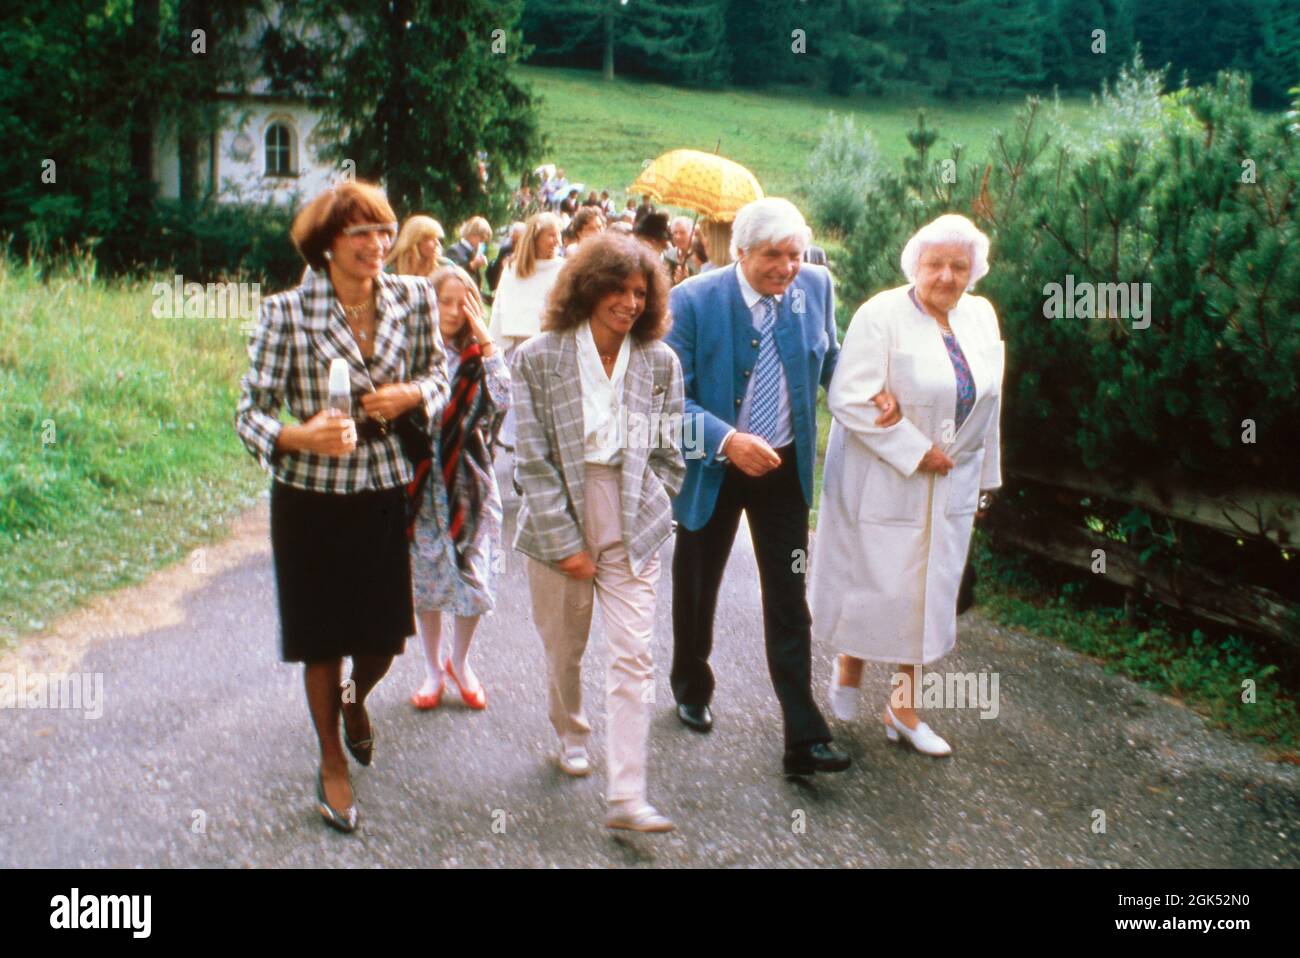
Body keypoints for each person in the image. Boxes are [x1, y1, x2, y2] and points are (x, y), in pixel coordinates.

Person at [235, 181, 449, 833]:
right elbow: (248, 414)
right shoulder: (286, 313)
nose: (377, 245)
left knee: (384, 635)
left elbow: (440, 373)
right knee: (321, 636)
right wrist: (300, 435)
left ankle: (357, 698)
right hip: (309, 498)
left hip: (383, 487)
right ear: (327, 244)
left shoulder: (413, 298)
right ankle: (332, 760)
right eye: (361, 233)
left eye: (384, 231)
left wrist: (411, 393)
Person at [663, 197, 852, 778]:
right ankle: (691, 683)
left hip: (782, 471)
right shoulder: (692, 301)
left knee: (789, 595)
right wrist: (726, 441)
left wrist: (867, 391)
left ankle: (803, 734)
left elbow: (833, 363)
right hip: (714, 468)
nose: (787, 267)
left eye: (795, 254)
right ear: (740, 251)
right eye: (774, 255)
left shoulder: (816, 286)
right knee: (698, 583)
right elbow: (668, 401)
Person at [511, 232, 686, 832]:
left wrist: (650, 509)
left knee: (635, 654)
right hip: (559, 507)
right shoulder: (538, 356)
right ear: (587, 288)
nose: (630, 302)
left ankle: (627, 797)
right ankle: (571, 731)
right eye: (618, 288)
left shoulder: (661, 362)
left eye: (641, 292)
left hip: (632, 510)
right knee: (566, 647)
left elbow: (670, 456)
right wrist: (565, 541)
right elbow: (531, 460)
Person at [812, 214, 1003, 756]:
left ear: (974, 270)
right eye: (935, 264)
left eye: (959, 266)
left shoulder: (981, 317)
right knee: (878, 586)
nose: (946, 275)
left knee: (927, 598)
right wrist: (914, 448)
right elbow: (849, 396)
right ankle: (849, 664)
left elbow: (991, 407)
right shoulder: (882, 315)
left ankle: (902, 707)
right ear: (914, 264)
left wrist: (985, 481)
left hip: (952, 485)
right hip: (885, 476)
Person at [405, 265, 510, 713]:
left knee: (474, 576)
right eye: (443, 301)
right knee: (426, 580)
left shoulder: (478, 353)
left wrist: (486, 341)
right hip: (421, 481)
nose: (451, 311)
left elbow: (504, 401)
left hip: (469, 480)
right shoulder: (412, 352)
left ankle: (460, 662)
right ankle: (431, 669)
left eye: (461, 302)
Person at [489, 212, 565, 449]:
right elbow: (502, 306)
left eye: (558, 235)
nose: (557, 241)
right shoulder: (513, 268)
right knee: (520, 404)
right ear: (536, 236)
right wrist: (496, 345)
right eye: (551, 235)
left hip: (550, 347)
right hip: (519, 348)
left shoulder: (563, 269)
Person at [446, 216, 492, 293]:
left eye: (484, 240)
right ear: (471, 234)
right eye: (481, 238)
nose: (481, 243)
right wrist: (472, 266)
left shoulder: (474, 251)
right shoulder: (454, 250)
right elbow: (452, 277)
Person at [487, 221, 526, 294]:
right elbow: (497, 269)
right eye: (513, 240)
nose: (514, 244)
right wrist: (503, 266)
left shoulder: (529, 251)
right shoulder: (506, 248)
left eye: (517, 240)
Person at [664, 215, 699, 286]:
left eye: (682, 232)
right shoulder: (669, 254)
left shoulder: (699, 257)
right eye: (675, 233)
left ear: (691, 234)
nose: (677, 236)